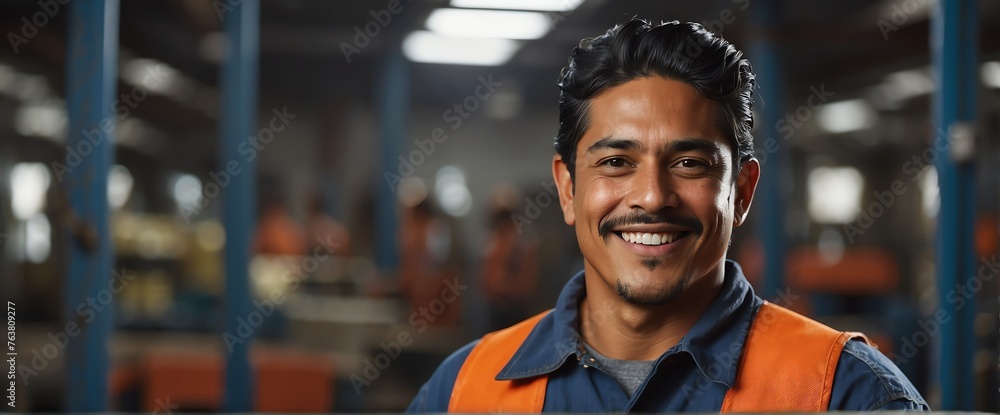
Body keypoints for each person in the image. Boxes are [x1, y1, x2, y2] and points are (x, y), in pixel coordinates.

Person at [406, 19, 928, 412]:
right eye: (616, 162)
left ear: (742, 192)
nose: (652, 197)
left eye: (689, 163)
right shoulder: (462, 392)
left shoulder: (846, 397)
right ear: (567, 189)